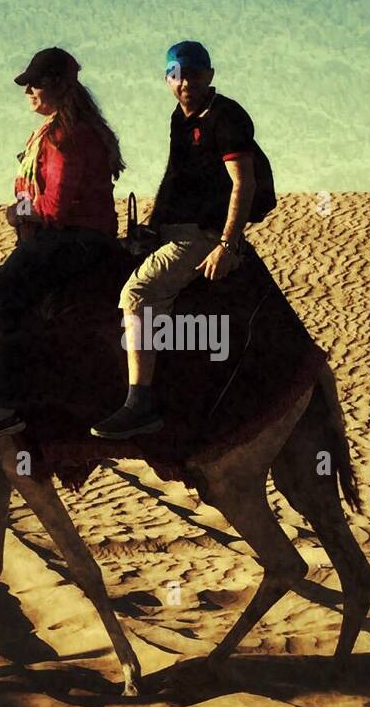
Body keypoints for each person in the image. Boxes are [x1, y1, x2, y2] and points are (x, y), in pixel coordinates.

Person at [91, 40, 267, 439]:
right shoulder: (180, 118)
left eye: (192, 73)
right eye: (175, 74)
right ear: (167, 78)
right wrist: (153, 226)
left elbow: (244, 184)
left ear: (210, 76)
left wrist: (226, 244)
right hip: (174, 231)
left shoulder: (227, 117)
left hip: (205, 236)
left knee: (138, 294)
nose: (184, 82)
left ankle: (141, 402)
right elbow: (176, 178)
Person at [0, 47, 124, 442]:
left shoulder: (69, 136)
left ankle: (7, 405)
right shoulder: (55, 133)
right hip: (69, 237)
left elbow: (56, 206)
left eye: (35, 83)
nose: (28, 90)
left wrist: (16, 214)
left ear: (56, 86)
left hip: (75, 240)